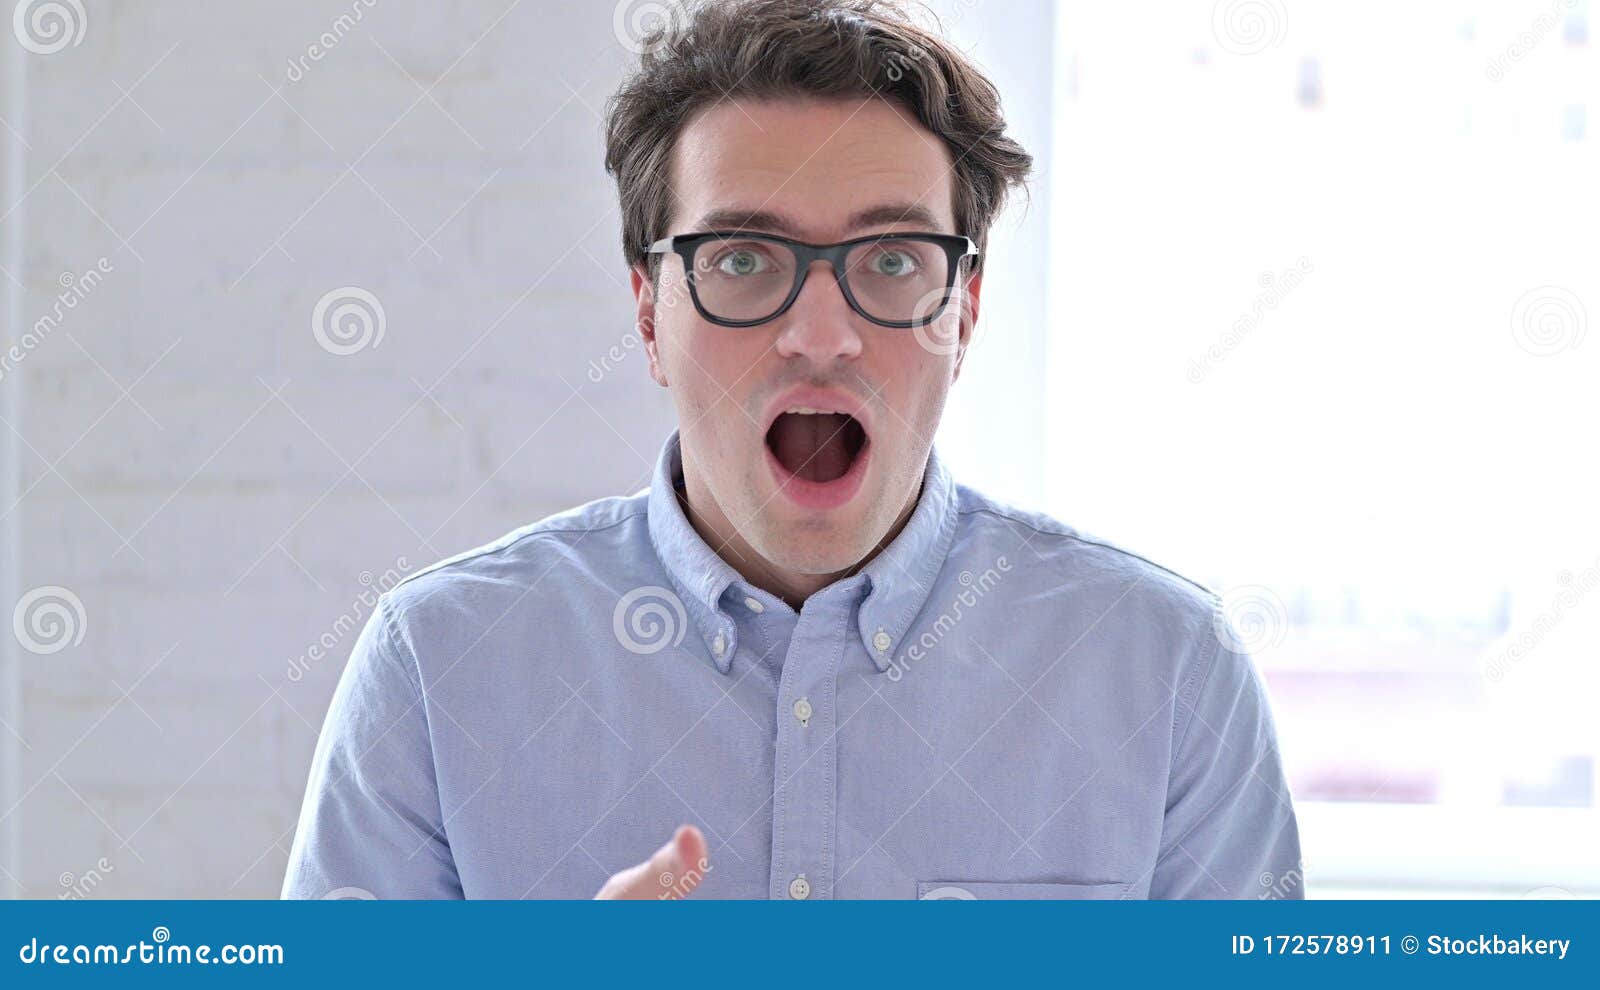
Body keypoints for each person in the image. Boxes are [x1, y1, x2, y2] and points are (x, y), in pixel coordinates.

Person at [283, 0, 1302, 900]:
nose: (820, 335)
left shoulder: (1167, 671)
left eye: (896, 258)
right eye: (740, 258)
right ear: (648, 314)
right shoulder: (439, 667)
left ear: (967, 308)